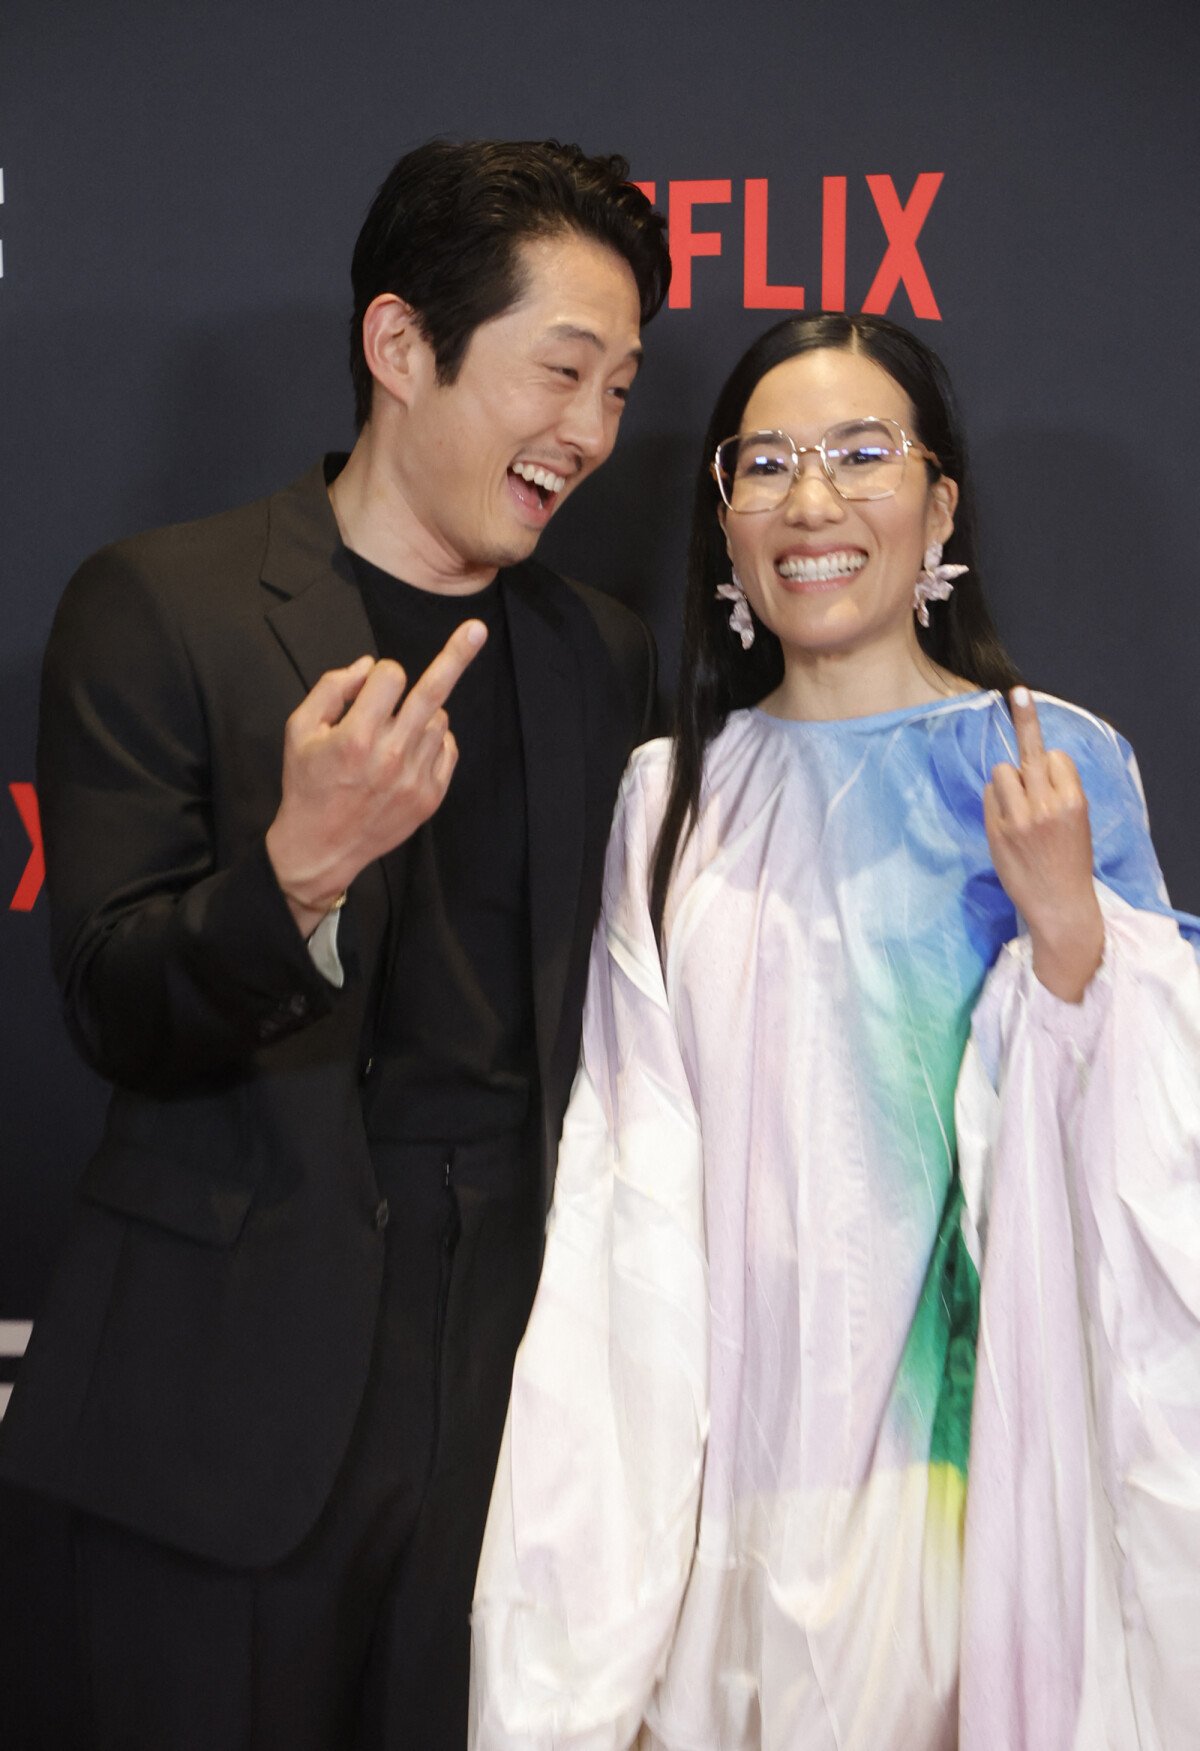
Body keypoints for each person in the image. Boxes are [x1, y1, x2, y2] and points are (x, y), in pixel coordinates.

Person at [0, 139, 670, 1749]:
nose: (586, 433)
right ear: (400, 346)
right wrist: (295, 874)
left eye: (622, 388)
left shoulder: (606, 658)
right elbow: (110, 1003)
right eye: (558, 372)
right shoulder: (162, 606)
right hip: (212, 1419)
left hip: (507, 1416)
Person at [470, 313, 1200, 1749]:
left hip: (973, 1509)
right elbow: (627, 1187)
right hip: (728, 1513)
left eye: (862, 455)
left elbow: (1157, 1183)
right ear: (726, 518)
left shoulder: (1056, 767)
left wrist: (1073, 939)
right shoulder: (668, 805)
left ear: (936, 505)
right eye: (770, 463)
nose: (814, 501)